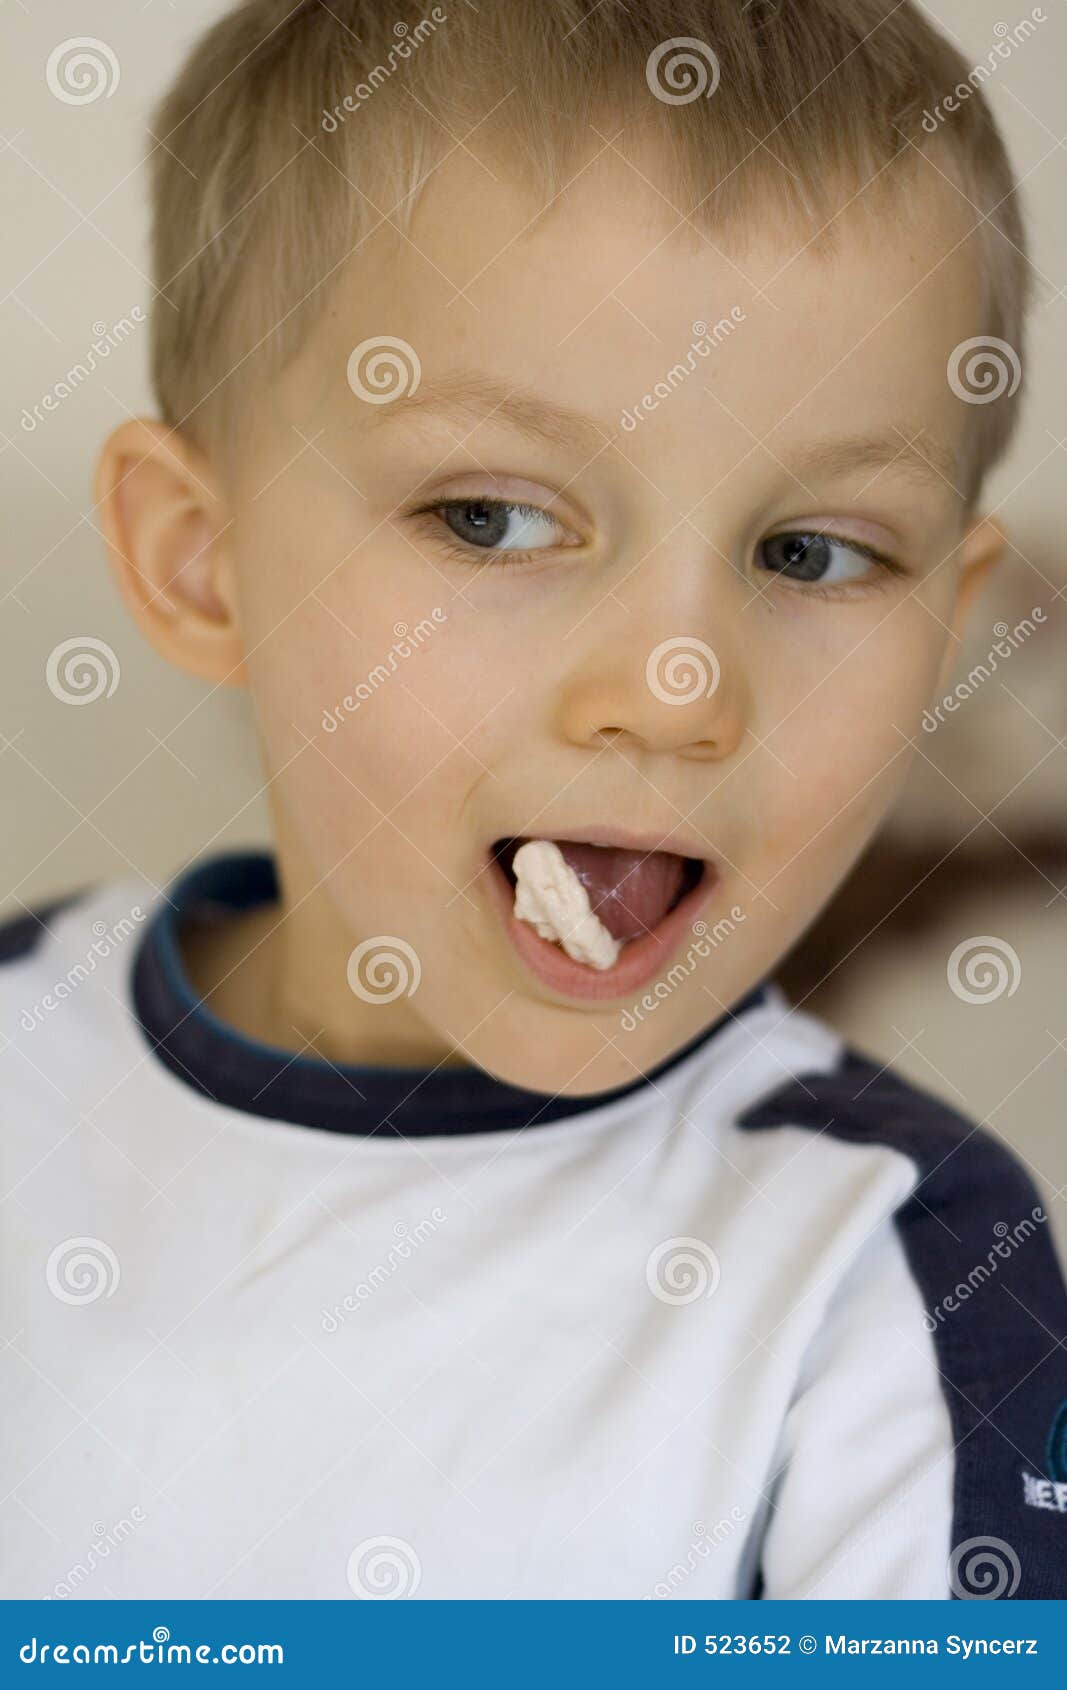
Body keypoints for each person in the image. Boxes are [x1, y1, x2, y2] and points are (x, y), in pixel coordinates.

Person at [5, 0, 1065, 1599]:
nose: (679, 688)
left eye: (815, 554)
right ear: (199, 561)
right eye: (494, 519)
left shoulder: (889, 1264)